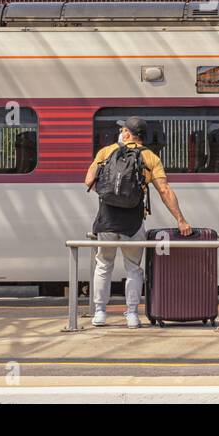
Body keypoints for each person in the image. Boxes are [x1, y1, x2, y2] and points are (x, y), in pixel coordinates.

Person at [83, 116, 192, 328]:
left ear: (126, 134)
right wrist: (181, 220)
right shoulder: (150, 157)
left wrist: (109, 195)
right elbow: (164, 190)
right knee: (133, 268)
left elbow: (88, 181)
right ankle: (132, 314)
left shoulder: (106, 152)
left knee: (103, 265)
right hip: (132, 221)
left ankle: (100, 313)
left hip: (106, 219)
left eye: (123, 130)